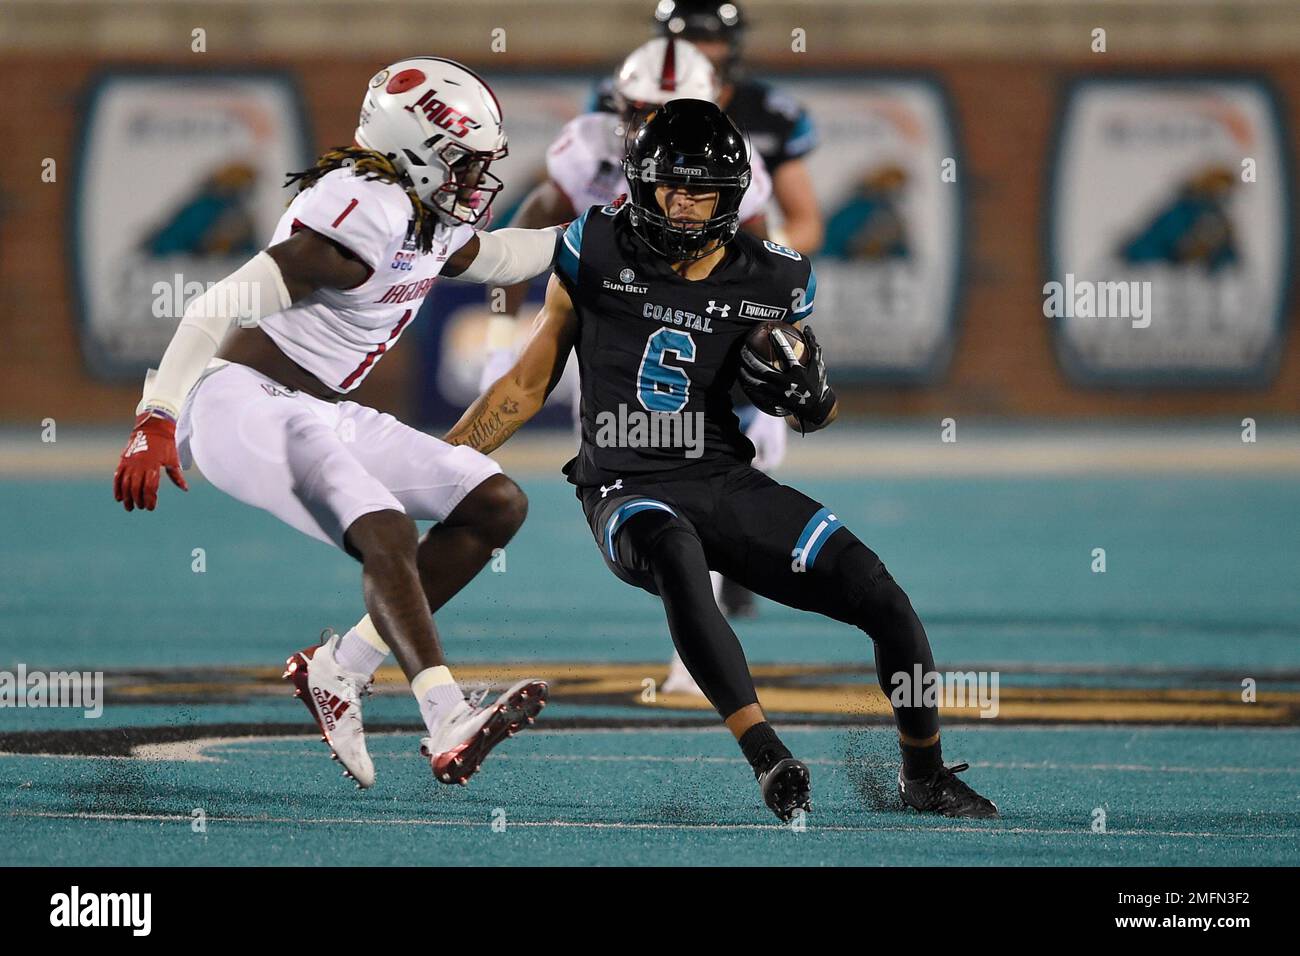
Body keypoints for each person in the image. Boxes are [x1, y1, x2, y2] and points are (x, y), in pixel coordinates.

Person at [444, 100, 997, 821]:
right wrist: (439, 463)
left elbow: (811, 413)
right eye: (668, 187)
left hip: (722, 476)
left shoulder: (772, 280)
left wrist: (813, 395)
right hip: (623, 480)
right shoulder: (596, 249)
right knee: (675, 551)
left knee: (881, 595)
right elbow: (523, 387)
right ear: (639, 186)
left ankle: (923, 774)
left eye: (697, 190)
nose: (679, 205)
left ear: (729, 198)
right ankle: (767, 754)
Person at [112, 57, 560, 791]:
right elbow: (216, 304)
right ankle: (446, 716)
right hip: (242, 400)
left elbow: (509, 256)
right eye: (463, 162)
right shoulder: (363, 208)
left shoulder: (426, 214)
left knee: (493, 502)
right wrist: (155, 415)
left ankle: (340, 667)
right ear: (416, 148)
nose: (474, 180)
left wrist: (608, 234)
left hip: (324, 411)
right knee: (384, 527)